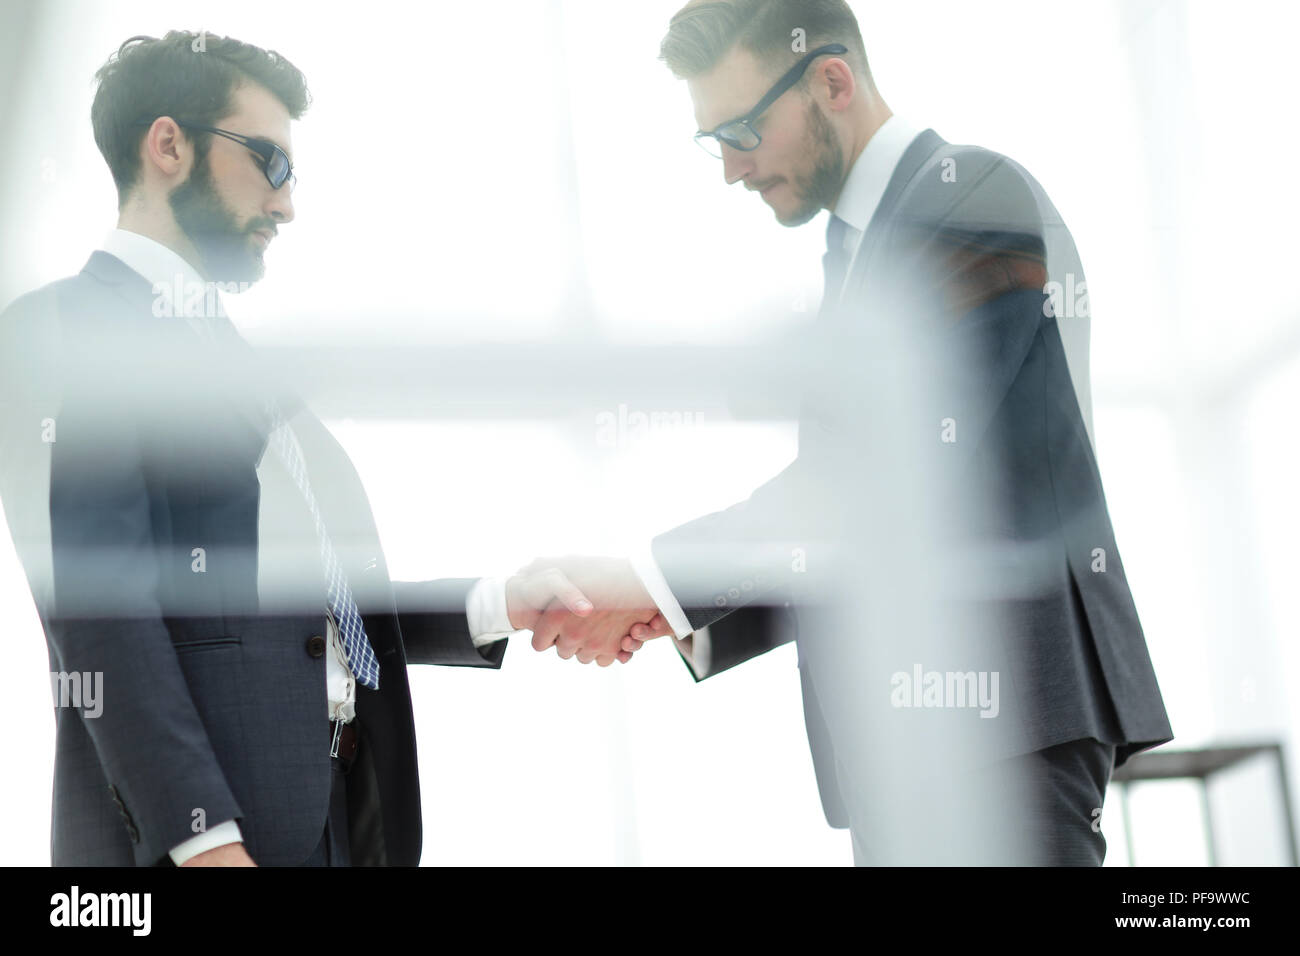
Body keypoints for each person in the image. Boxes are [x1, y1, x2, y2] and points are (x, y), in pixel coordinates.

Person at [525, 0, 1174, 865]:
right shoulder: (857, 251)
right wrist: (664, 605)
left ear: (831, 79)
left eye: (743, 129)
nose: (729, 168)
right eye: (709, 139)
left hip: (1003, 726)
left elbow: (887, 476)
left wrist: (654, 580)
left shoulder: (971, 198)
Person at [0, 31, 658, 867]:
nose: (286, 204)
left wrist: (499, 601)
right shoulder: (59, 332)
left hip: (331, 825)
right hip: (203, 844)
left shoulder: (239, 362)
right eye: (269, 162)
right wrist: (201, 839)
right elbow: (102, 618)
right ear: (168, 144)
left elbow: (312, 605)